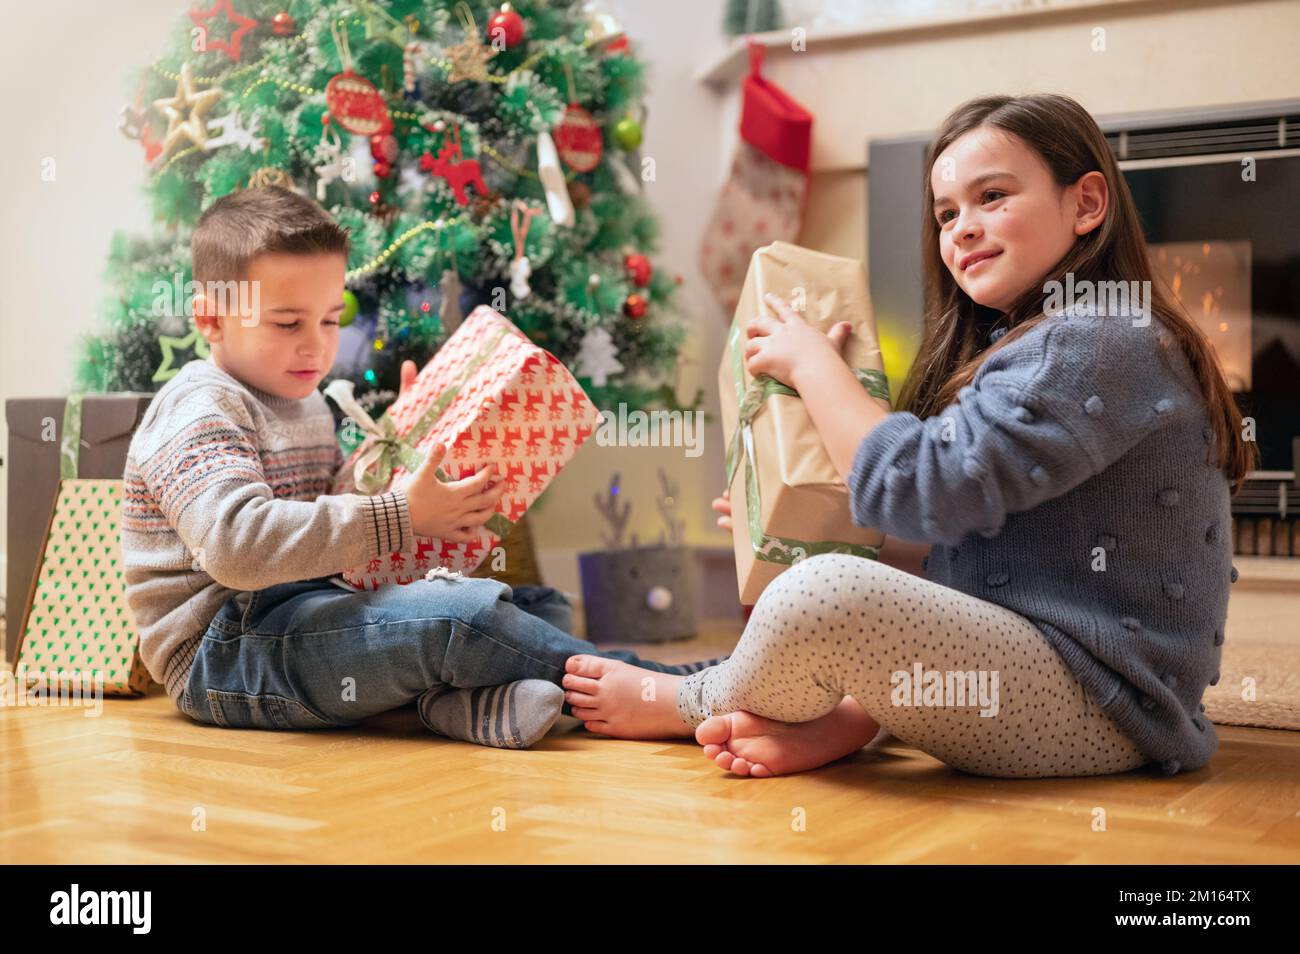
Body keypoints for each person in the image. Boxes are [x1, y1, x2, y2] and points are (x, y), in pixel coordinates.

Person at [562, 93, 1255, 779]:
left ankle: (685, 698)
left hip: (1098, 705)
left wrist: (813, 367)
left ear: (1086, 204)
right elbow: (955, 535)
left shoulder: (1095, 340)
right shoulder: (1044, 340)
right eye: (947, 213)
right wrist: (799, 519)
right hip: (1038, 675)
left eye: (992, 196)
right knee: (821, 571)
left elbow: (918, 487)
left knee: (825, 594)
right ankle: (850, 720)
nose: (962, 228)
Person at [120, 185, 716, 750]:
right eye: (287, 323)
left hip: (301, 610)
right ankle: (669, 689)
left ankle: (454, 707)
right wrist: (400, 512)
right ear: (211, 319)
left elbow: (330, 513)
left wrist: (402, 443)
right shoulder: (199, 406)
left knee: (536, 605)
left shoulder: (303, 402)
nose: (316, 346)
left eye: (331, 319)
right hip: (225, 649)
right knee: (465, 620)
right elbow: (238, 547)